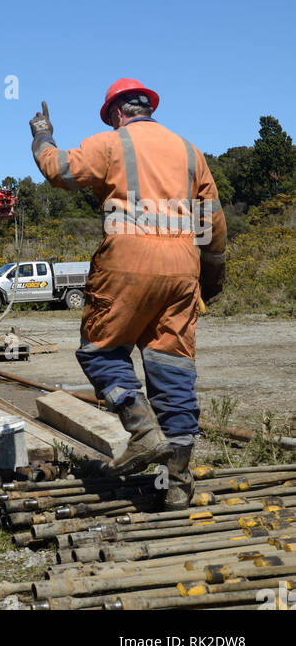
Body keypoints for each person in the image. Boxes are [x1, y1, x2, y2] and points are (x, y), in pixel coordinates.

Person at [29, 79, 227, 508]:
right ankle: (177, 484)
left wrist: (42, 135)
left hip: (127, 262)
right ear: (147, 108)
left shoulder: (111, 143)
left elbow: (60, 170)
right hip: (182, 269)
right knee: (171, 369)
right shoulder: (191, 152)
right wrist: (210, 279)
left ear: (118, 112)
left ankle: (142, 432)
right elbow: (212, 223)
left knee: (100, 351)